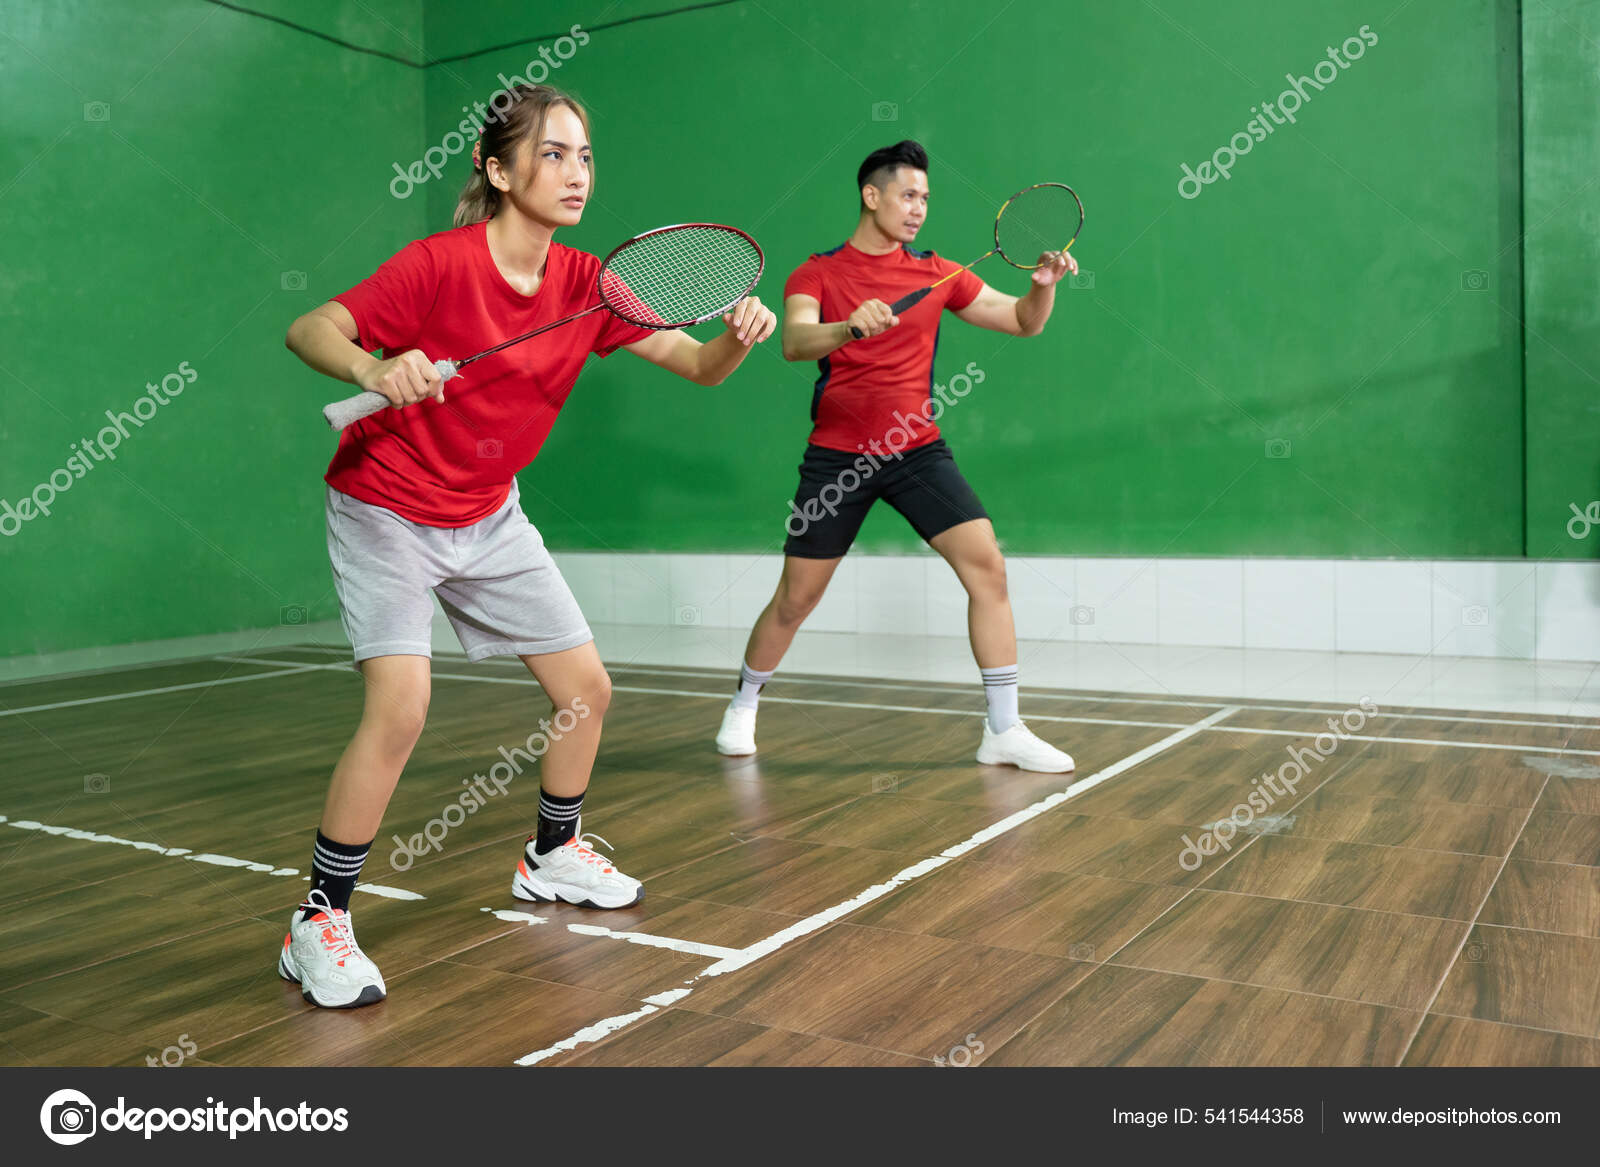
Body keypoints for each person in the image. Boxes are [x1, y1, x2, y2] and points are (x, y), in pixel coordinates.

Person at [281, 83, 774, 1008]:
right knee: (401, 705)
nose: (576, 172)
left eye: (585, 155)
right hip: (386, 505)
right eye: (553, 154)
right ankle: (318, 920)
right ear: (498, 170)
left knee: (587, 689)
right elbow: (311, 326)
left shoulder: (593, 285)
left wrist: (738, 340)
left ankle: (551, 853)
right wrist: (373, 366)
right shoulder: (437, 265)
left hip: (488, 513)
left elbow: (700, 367)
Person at [715, 140, 1076, 774]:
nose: (918, 210)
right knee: (797, 599)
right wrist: (849, 327)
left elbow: (1022, 321)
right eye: (908, 196)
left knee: (988, 568)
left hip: (915, 451)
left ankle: (1004, 728)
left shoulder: (940, 273)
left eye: (926, 199)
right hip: (837, 460)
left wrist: (1041, 287)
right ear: (871, 194)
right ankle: (744, 703)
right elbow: (795, 343)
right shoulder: (817, 272)